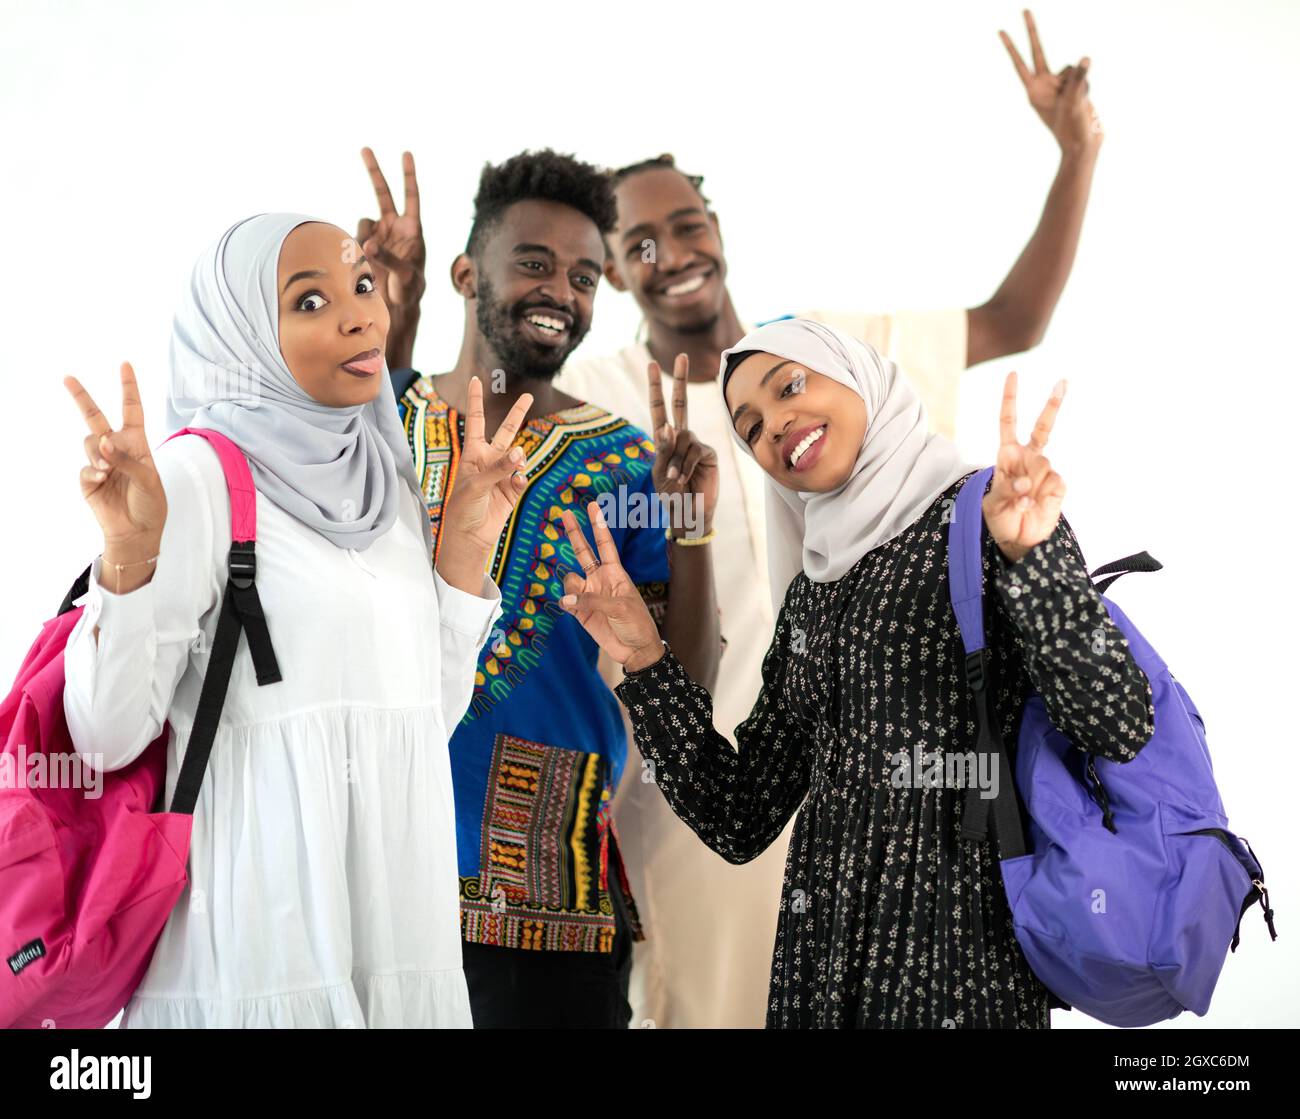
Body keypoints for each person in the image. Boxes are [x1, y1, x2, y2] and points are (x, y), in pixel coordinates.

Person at [550, 8, 1106, 1027]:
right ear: (616, 273)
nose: (670, 252)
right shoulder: (596, 393)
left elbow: (1012, 320)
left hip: (890, 774)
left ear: (715, 224)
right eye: (637, 243)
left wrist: (1077, 150)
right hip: (704, 777)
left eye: (684, 223)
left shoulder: (830, 353)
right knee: (717, 1004)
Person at [553, 317, 1155, 1028]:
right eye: (749, 426)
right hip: (826, 973)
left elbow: (1117, 723)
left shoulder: (985, 520)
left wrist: (1036, 557)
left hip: (958, 975)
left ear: (860, 375)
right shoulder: (813, 591)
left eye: (791, 385)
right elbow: (740, 812)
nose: (775, 423)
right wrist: (646, 658)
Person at [60, 213, 529, 1028]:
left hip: (392, 938)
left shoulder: (383, 479)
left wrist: (462, 551)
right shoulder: (200, 476)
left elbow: (419, 724)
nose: (361, 314)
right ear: (239, 333)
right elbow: (104, 736)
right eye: (308, 301)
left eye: (361, 285)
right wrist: (129, 554)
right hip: (254, 947)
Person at [355, 148, 722, 1027]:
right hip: (369, 871)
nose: (561, 289)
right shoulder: (379, 420)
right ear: (464, 272)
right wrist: (387, 304)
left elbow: (688, 687)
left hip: (549, 908)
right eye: (534, 262)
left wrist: (691, 531)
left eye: (585, 275)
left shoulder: (630, 462)